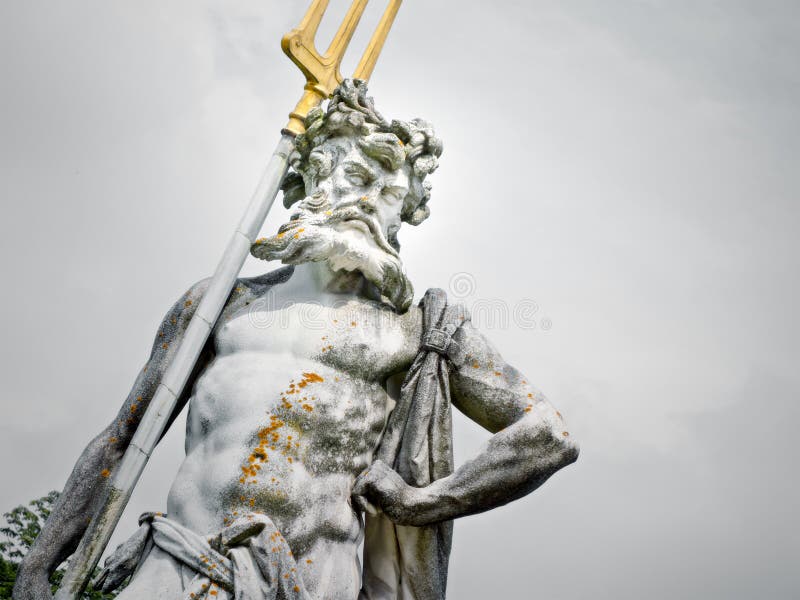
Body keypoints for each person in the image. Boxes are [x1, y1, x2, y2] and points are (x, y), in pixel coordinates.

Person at [14, 80, 578, 600]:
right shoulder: (219, 306)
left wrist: (422, 502)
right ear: (310, 175)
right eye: (358, 177)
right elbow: (123, 440)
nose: (369, 201)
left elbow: (547, 436)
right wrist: (39, 564)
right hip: (176, 571)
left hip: (309, 581)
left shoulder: (416, 330)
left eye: (390, 193)